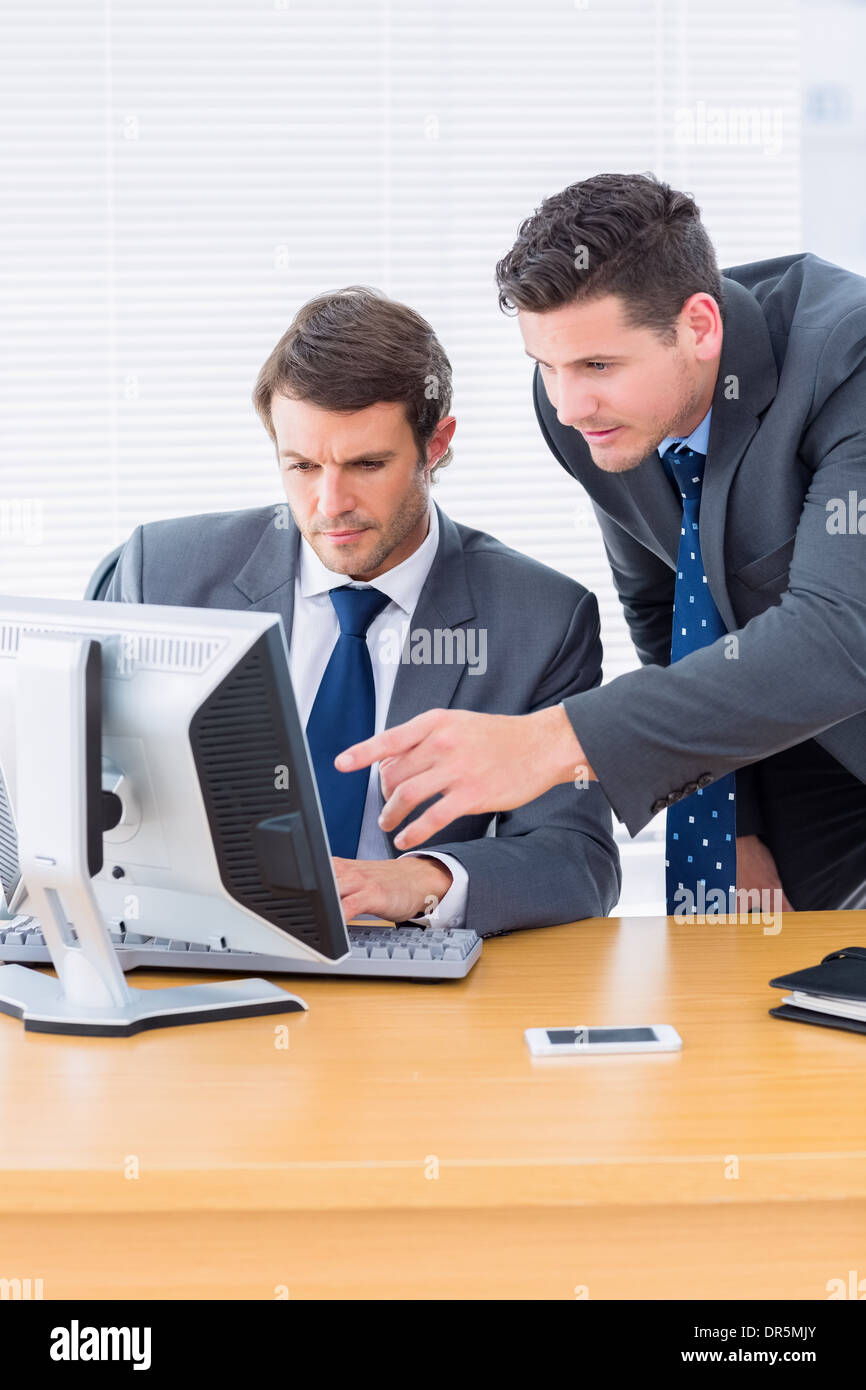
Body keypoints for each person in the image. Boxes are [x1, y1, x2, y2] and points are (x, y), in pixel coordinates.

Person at [337, 174, 866, 913]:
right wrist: (730, 820)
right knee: (763, 1000)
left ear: (701, 327)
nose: (566, 404)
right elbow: (664, 603)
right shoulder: (583, 413)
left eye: (597, 367)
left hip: (835, 675)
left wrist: (550, 741)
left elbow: (840, 636)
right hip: (783, 741)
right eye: (545, 366)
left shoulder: (851, 357)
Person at [105, 286, 620, 936]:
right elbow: (86, 787)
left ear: (436, 444)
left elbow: (576, 861)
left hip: (402, 970)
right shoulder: (165, 572)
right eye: (300, 465)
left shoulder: (541, 620)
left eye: (367, 464)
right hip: (198, 949)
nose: (329, 504)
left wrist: (419, 882)